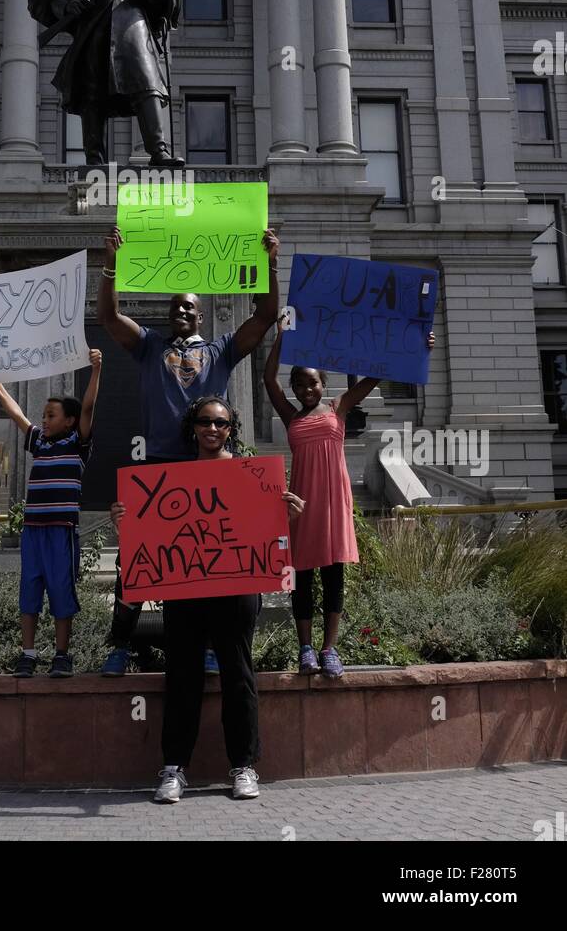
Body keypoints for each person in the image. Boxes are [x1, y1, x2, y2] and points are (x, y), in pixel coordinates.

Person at [98, 224, 281, 676]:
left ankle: (217, 650)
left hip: (212, 470)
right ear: (169, 314)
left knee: (217, 562)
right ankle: (121, 646)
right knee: (137, 561)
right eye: (175, 305)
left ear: (201, 316)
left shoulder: (221, 351)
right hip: (160, 468)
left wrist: (271, 264)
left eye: (190, 306)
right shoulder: (148, 347)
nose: (181, 309)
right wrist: (110, 265)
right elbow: (107, 317)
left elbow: (263, 318)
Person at [111, 396, 304, 804]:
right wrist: (125, 522)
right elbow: (151, 533)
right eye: (204, 422)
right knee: (182, 675)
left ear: (231, 428)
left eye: (220, 423)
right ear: (193, 427)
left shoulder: (251, 476)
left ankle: (244, 766)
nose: (212, 429)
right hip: (185, 589)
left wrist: (289, 516)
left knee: (238, 673)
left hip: (237, 588)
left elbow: (273, 534)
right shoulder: (172, 478)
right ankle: (174, 768)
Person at [263, 320, 436, 677]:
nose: (305, 388)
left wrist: (417, 344)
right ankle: (305, 649)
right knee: (303, 577)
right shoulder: (291, 415)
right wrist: (281, 337)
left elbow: (376, 373)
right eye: (299, 384)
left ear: (323, 383)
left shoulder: (338, 407)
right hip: (302, 506)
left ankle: (329, 649)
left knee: (333, 576)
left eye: (311, 382)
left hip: (333, 502)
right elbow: (269, 381)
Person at [28, 0, 183, 167]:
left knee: (147, 84)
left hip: (131, 23)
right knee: (92, 94)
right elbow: (58, 1)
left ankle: (159, 152)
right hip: (92, 29)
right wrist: (70, 8)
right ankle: (93, 158)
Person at [0, 349, 102, 679]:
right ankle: (28, 653)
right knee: (29, 590)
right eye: (44, 415)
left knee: (62, 591)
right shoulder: (39, 442)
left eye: (50, 415)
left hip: (61, 530)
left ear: (70, 421)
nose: (43, 420)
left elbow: (88, 406)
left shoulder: (78, 444)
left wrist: (95, 371)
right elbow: (17, 415)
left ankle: (62, 655)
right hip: (33, 530)